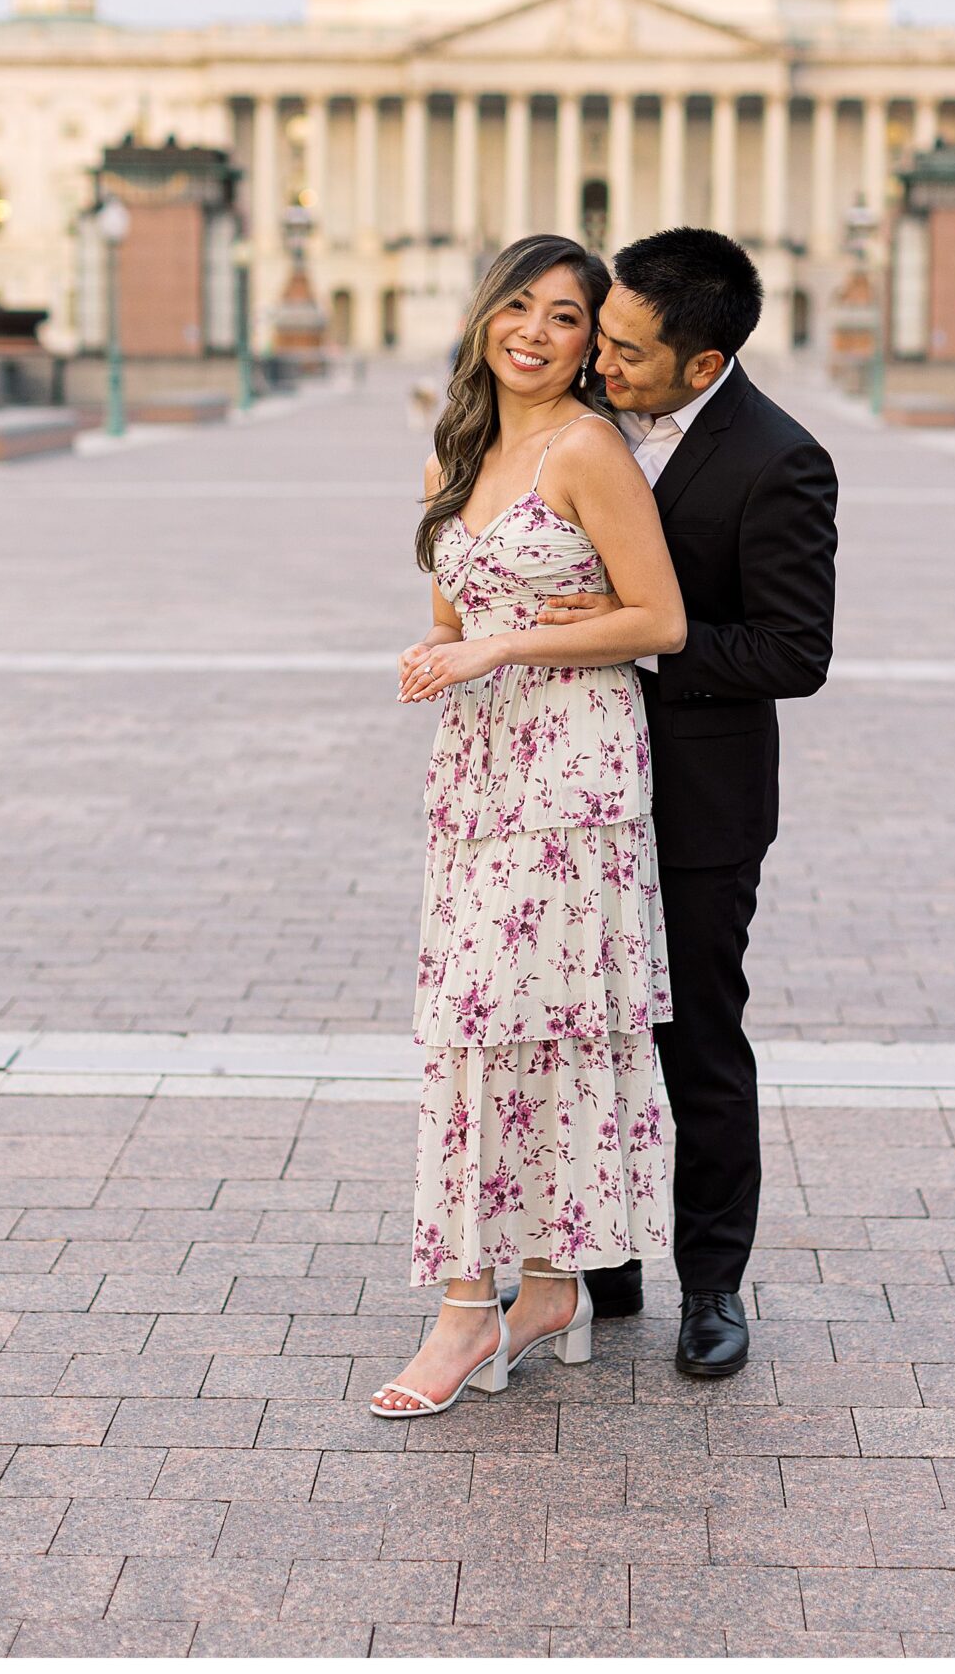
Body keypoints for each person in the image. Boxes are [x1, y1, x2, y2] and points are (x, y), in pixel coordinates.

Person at [371, 234, 686, 1418]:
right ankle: (547, 1282)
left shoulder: (588, 446)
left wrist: (507, 643)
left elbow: (657, 616)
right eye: (519, 305)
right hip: (479, 767)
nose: (537, 333)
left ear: (586, 343)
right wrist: (445, 650)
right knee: (496, 1023)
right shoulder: (457, 454)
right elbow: (455, 609)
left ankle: (466, 1310)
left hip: (573, 767)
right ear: (483, 316)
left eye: (566, 317)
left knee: (502, 1021)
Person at [538, 226, 839, 1377]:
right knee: (583, 1028)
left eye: (625, 350)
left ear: (703, 362)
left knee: (696, 1041)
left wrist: (636, 643)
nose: (600, 362)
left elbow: (792, 649)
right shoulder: (577, 416)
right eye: (597, 335)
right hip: (568, 784)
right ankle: (600, 1260)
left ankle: (710, 1283)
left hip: (695, 800)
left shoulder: (779, 458)